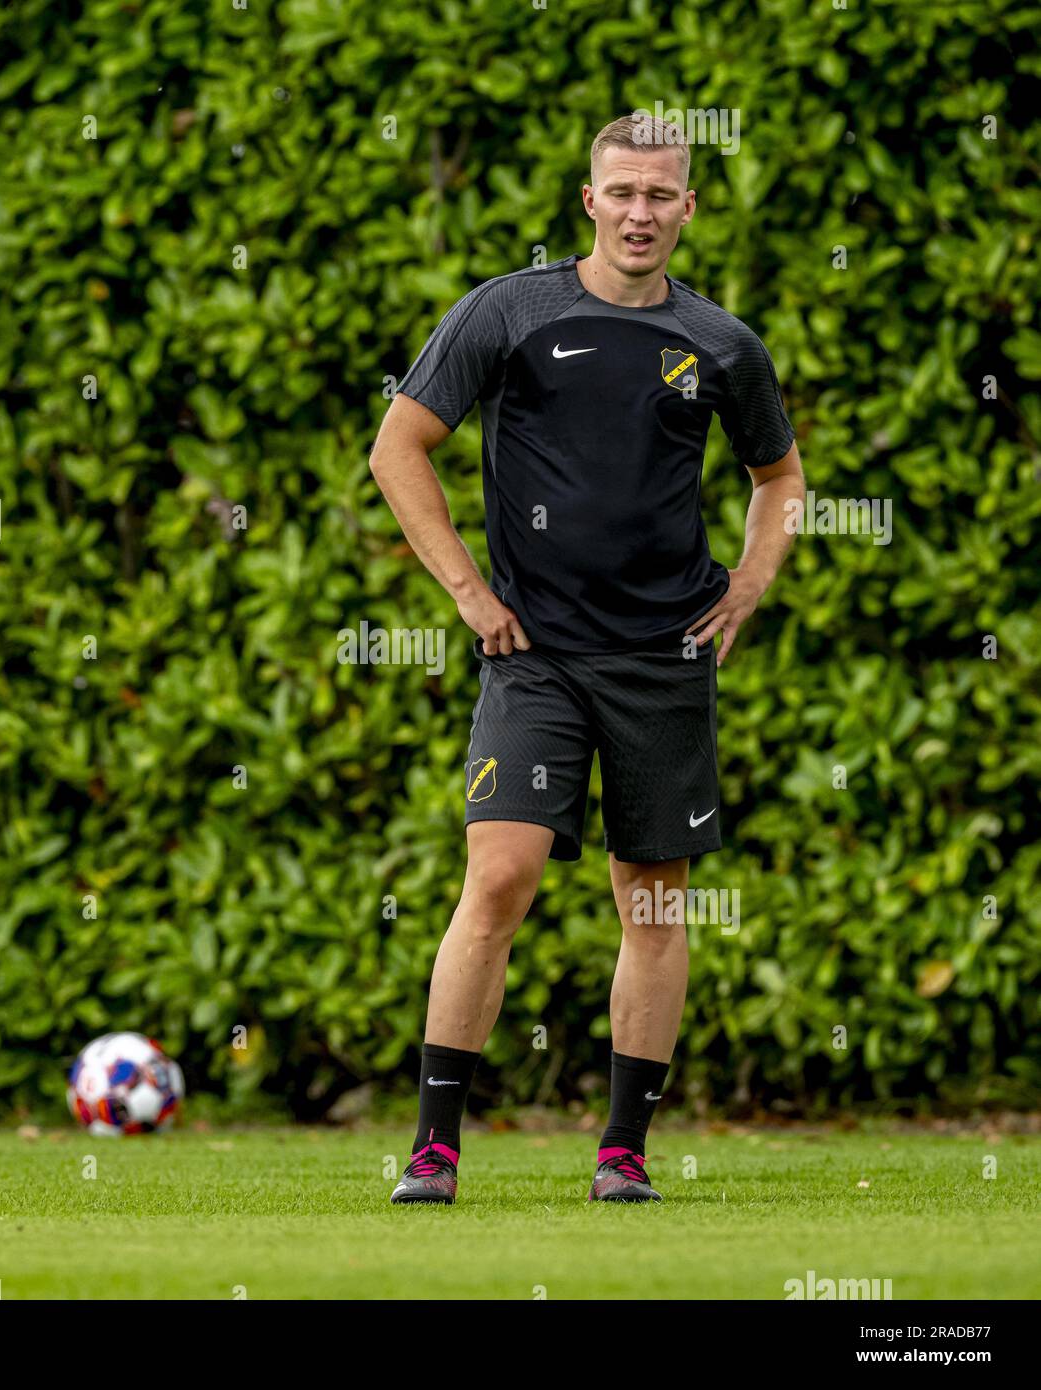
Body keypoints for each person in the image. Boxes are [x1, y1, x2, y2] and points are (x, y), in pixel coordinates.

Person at [368, 113, 806, 1205]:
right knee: (500, 874)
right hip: (535, 656)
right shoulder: (508, 311)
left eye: (662, 194)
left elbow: (779, 480)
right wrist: (468, 592)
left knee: (651, 902)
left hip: (663, 659)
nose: (641, 212)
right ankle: (433, 1149)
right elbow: (398, 447)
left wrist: (750, 582)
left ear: (689, 208)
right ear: (589, 200)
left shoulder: (722, 344)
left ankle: (623, 1153)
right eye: (623, 192)